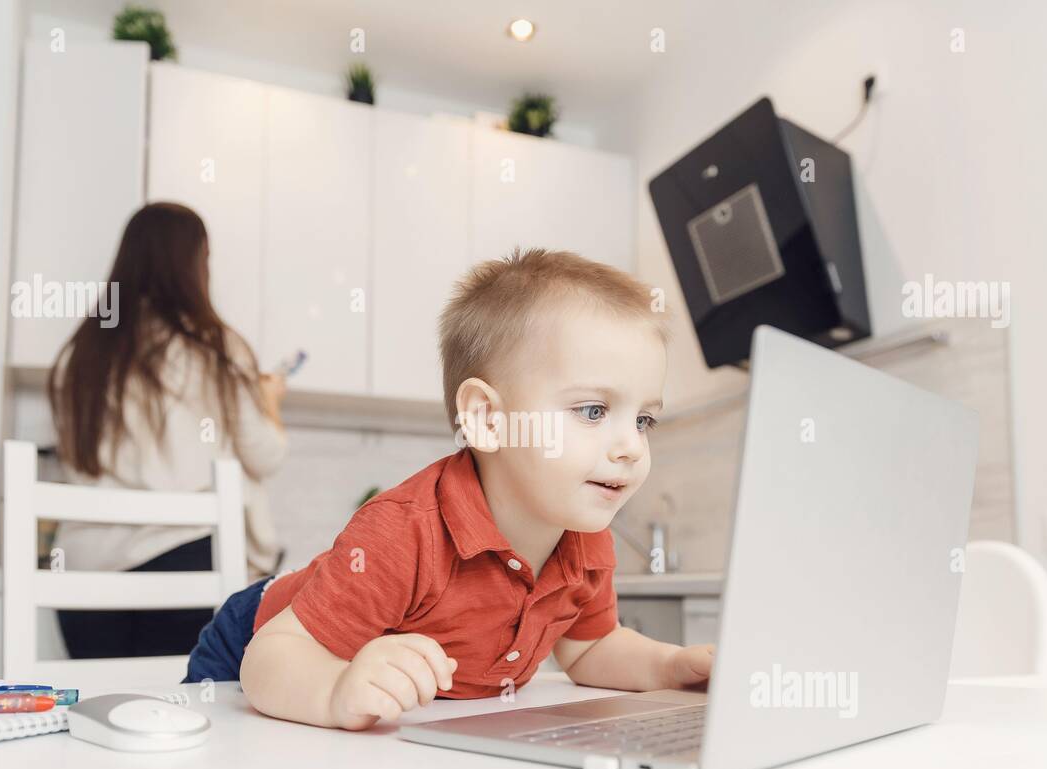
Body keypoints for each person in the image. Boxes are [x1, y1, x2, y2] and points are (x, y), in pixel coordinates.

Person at [185, 247, 714, 727]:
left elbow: (591, 648)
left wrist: (671, 666)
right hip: (267, 641)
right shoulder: (404, 532)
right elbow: (271, 657)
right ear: (487, 420)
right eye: (593, 411)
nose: (631, 447)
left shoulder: (585, 535)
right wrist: (333, 691)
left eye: (644, 420)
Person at [48, 202, 288, 659]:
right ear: (196, 265)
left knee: (104, 710)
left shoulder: (79, 356)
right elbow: (266, 456)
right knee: (187, 711)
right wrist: (269, 402)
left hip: (82, 579)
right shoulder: (216, 349)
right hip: (185, 568)